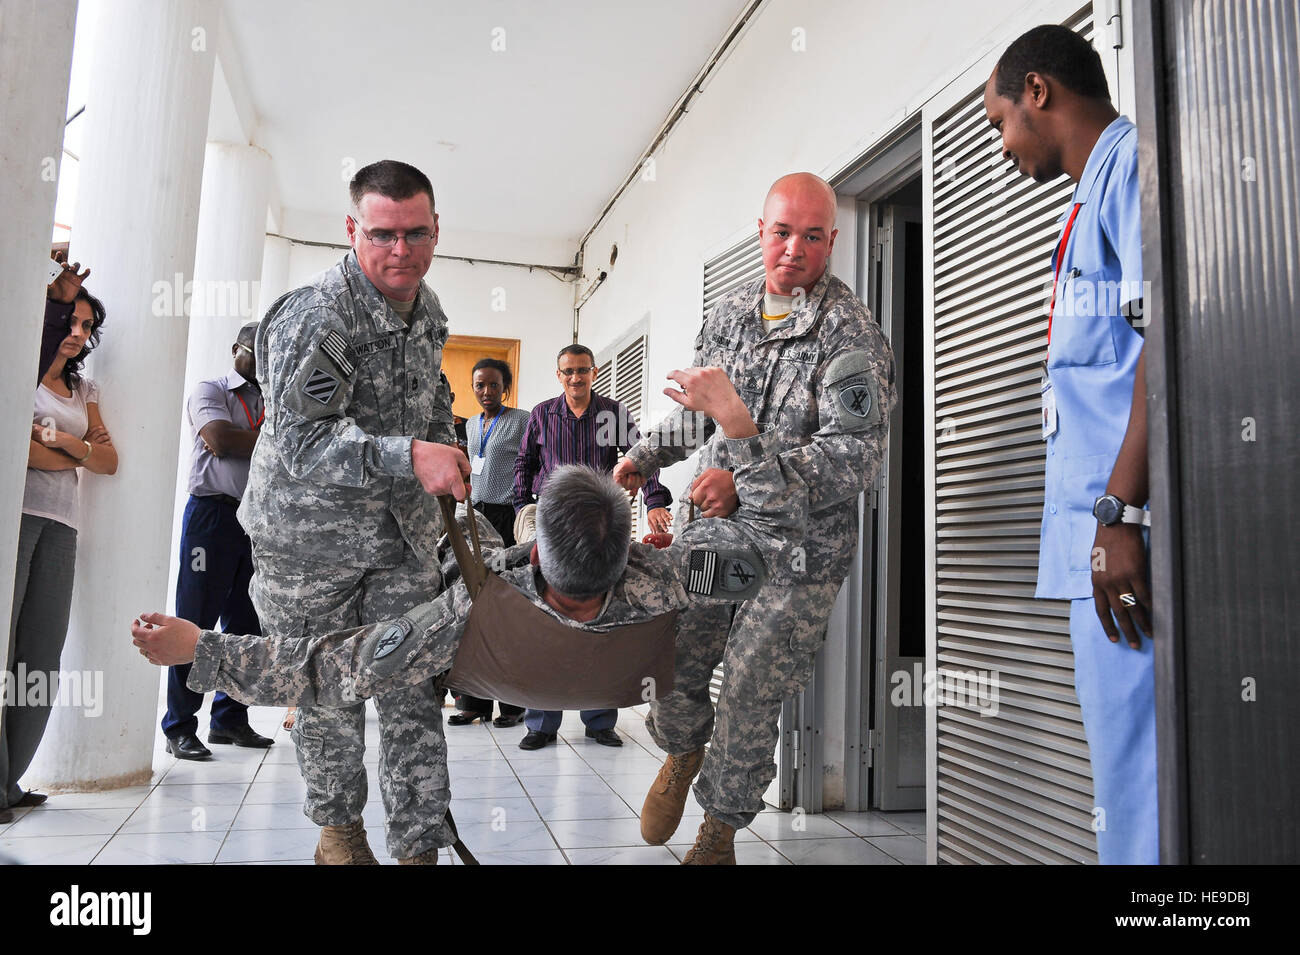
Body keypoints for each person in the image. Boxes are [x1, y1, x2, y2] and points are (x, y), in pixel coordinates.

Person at [132, 369, 803, 870]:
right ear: (627, 551)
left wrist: (203, 648)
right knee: (712, 593)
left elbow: (333, 664)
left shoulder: (474, 610)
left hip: (496, 646)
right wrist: (733, 422)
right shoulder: (670, 578)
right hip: (631, 668)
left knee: (446, 554)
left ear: (535, 551)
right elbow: (772, 542)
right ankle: (685, 747)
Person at [613, 172, 896, 863]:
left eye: (812, 236)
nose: (794, 249)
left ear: (833, 239)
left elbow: (856, 457)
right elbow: (700, 410)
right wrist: (645, 456)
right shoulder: (732, 312)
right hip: (717, 532)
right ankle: (683, 750)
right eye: (782, 232)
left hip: (802, 551)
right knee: (676, 659)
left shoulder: (851, 334)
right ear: (760, 231)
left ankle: (719, 832)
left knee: (749, 685)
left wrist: (747, 481)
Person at [237, 159, 470, 865]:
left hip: (401, 539)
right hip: (309, 546)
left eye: (415, 233)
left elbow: (431, 397)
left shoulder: (427, 311)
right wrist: (411, 456)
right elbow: (303, 441)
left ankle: (419, 846)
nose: (401, 250)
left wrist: (446, 446)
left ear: (436, 230)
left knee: (412, 689)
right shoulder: (318, 316)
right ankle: (339, 834)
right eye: (382, 234)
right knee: (325, 694)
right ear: (352, 230)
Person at [983, 24, 1155, 864]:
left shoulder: (1132, 170)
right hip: (1100, 539)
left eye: (1000, 123)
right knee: (1122, 764)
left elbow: (1168, 341)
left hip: (1125, 534)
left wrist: (1119, 511)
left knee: (1139, 767)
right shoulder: (1088, 201)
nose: (1002, 147)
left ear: (1039, 91)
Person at [511, 344, 674, 750]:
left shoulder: (613, 414)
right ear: (559, 375)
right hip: (553, 526)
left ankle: (600, 721)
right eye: (568, 371)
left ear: (594, 372)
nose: (575, 378)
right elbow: (524, 464)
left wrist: (655, 501)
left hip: (603, 526)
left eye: (582, 370)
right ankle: (541, 723)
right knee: (544, 620)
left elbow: (641, 459)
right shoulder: (542, 415)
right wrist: (524, 509)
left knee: (605, 618)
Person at [3, 268, 117, 824]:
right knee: (4, 651)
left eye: (86, 325)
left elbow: (109, 461)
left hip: (62, 526)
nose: (77, 333)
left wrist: (62, 439)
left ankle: (9, 780)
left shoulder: (83, 390)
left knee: (40, 658)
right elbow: (23, 452)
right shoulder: (19, 374)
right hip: (17, 519)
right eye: (70, 321)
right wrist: (77, 450)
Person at [160, 323, 272, 760]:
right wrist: (274, 440)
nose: (264, 361)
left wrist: (254, 441)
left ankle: (230, 719)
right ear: (236, 349)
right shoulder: (212, 390)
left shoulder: (273, 398)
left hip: (256, 521)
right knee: (196, 619)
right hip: (212, 515)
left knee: (247, 623)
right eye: (256, 350)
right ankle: (179, 726)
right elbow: (221, 440)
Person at [447, 358, 530, 728]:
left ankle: (512, 705)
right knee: (473, 608)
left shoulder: (522, 420)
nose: (486, 392)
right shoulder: (470, 424)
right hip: (474, 518)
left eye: (494, 385)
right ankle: (473, 702)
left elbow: (532, 464)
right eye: (479, 385)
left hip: (508, 518)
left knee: (509, 612)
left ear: (505, 387)